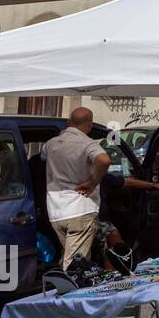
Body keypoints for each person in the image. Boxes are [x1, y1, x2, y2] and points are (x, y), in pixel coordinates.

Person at [42, 107, 110, 268]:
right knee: (74, 265)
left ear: (68, 122)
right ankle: (71, 290)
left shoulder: (51, 144)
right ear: (89, 125)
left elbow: (43, 157)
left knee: (75, 257)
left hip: (57, 212)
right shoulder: (87, 143)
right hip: (80, 209)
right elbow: (104, 160)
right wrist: (92, 182)